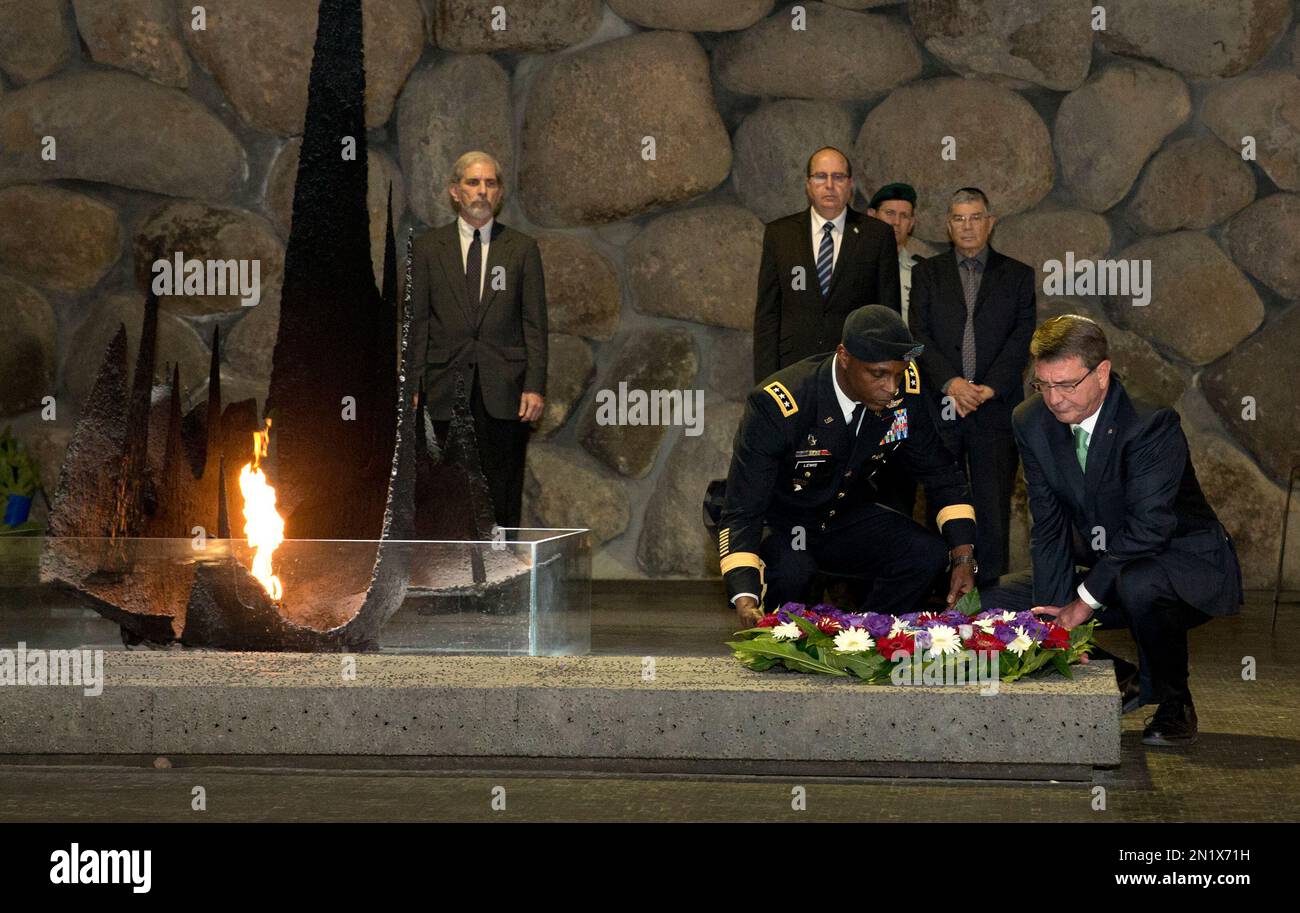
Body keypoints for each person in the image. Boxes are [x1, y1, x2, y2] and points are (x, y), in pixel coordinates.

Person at [985, 315, 1242, 746]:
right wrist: (1055, 629)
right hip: (1110, 567)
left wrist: (1081, 605)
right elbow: (1047, 525)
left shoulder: (1149, 421)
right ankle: (1129, 680)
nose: (1054, 399)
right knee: (998, 602)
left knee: (1139, 581)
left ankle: (1174, 700)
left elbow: (1149, 530)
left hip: (1182, 567)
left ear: (1101, 372)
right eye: (1043, 384)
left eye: (1066, 384)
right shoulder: (1030, 421)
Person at [719, 305, 978, 629]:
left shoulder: (903, 394)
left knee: (925, 553)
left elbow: (941, 474)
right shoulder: (780, 403)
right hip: (782, 522)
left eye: (898, 374)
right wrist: (744, 597)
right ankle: (779, 641)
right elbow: (743, 510)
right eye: (878, 374)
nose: (891, 387)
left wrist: (963, 555)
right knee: (793, 569)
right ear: (844, 356)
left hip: (843, 516)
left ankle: (867, 636)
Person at [408, 150, 547, 529]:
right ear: (455, 191)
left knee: (500, 489)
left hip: (503, 390)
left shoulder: (521, 249)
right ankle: (446, 578)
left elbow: (534, 323)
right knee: (443, 490)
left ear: (499, 193)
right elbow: (416, 322)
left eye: (490, 183)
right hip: (440, 388)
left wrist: (534, 386)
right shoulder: (426, 250)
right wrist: (411, 383)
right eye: (473, 182)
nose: (482, 191)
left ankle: (500, 574)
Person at [908, 187, 1034, 584]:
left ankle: (992, 589)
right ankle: (940, 584)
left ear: (990, 223)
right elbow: (918, 334)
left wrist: (988, 388)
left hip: (994, 407)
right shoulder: (926, 273)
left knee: (992, 500)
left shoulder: (1017, 275)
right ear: (948, 226)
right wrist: (952, 383)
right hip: (941, 404)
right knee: (942, 499)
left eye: (975, 217)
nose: (967, 226)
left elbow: (1021, 338)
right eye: (959, 218)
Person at [752, 147, 900, 383]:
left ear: (850, 184)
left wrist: (882, 376)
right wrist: (766, 383)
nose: (829, 184)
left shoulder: (877, 235)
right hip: (793, 370)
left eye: (838, 177)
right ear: (808, 184)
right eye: (821, 176)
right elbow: (768, 316)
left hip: (856, 371)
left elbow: (887, 314)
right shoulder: (780, 234)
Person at [866, 182, 935, 323]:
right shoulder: (854, 265)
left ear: (911, 223)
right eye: (889, 213)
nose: (896, 222)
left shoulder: (923, 272)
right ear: (872, 216)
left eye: (904, 216)